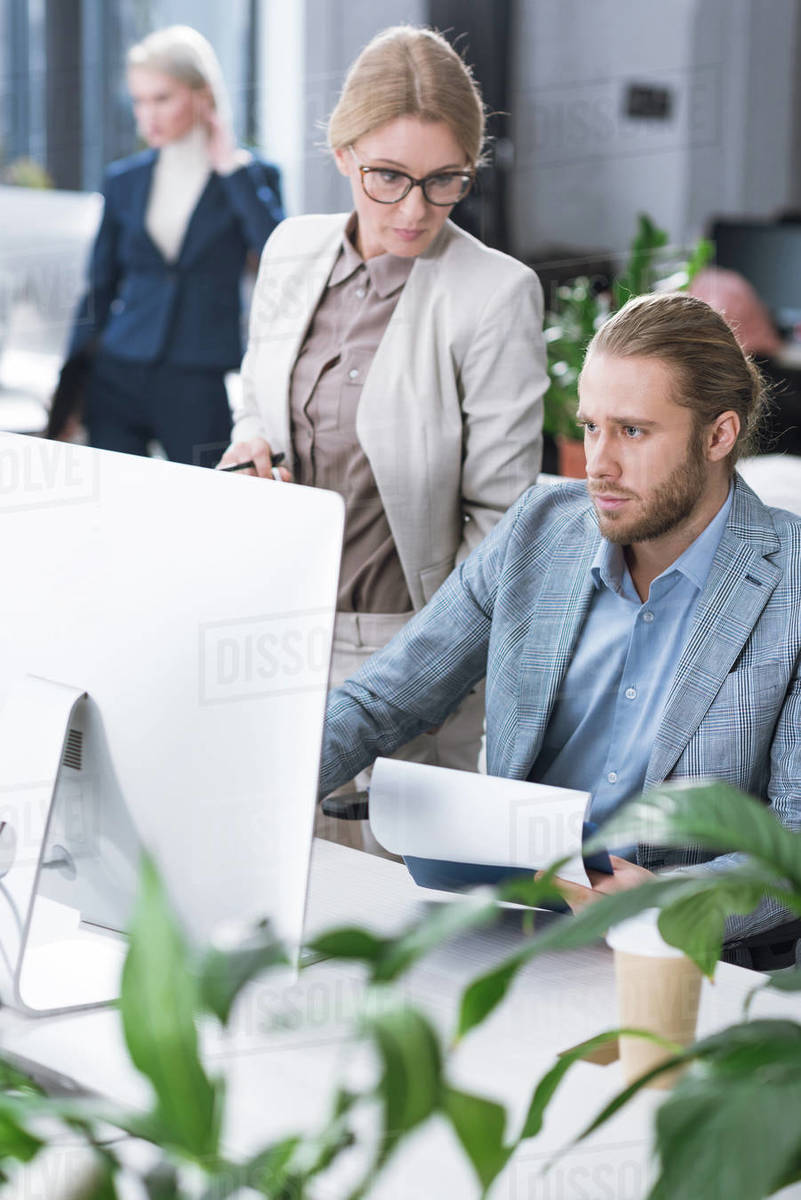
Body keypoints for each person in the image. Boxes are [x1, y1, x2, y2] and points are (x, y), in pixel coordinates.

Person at [319, 291, 801, 960]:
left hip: (687, 958)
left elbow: (793, 841)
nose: (597, 462)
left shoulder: (792, 583)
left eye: (631, 431)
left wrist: (658, 903)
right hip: (510, 926)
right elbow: (383, 699)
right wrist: (254, 789)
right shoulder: (538, 529)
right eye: (590, 427)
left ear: (718, 435)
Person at [220, 26, 548, 801]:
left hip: (408, 645)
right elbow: (253, 401)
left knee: (395, 902)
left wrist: (429, 674)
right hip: (276, 632)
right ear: (342, 154)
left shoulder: (493, 294)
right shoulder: (290, 250)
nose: (414, 208)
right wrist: (251, 448)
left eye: (445, 180)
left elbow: (501, 525)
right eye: (387, 177)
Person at [50, 25, 284, 466]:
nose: (147, 115)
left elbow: (280, 260)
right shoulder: (124, 181)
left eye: (162, 98)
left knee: (204, 509)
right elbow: (99, 289)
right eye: (139, 100)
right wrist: (69, 382)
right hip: (117, 371)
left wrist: (231, 167)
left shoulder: (251, 178)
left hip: (197, 375)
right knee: (116, 510)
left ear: (202, 95)